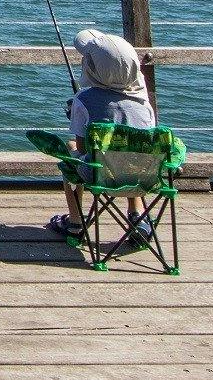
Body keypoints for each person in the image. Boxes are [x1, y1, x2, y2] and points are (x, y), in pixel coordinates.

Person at [48, 26, 158, 245]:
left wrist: (77, 115)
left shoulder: (84, 100)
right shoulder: (145, 105)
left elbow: (82, 147)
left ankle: (76, 221)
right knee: (130, 154)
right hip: (142, 177)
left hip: (101, 176)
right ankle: (138, 218)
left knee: (71, 150)